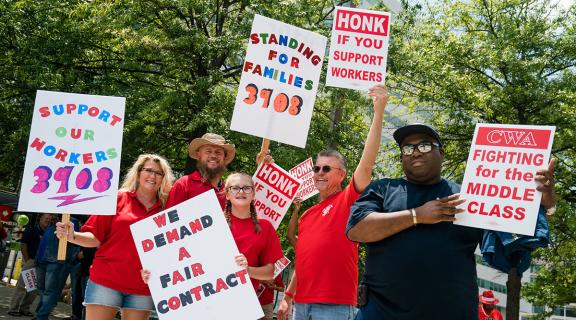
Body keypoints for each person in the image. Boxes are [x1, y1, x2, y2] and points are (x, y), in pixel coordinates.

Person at [346, 123, 556, 319]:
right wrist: (416, 215)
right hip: (381, 312)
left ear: (442, 153)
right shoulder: (383, 189)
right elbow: (357, 229)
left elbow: (509, 255)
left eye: (425, 145)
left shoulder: (470, 198)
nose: (416, 152)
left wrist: (542, 206)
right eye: (407, 148)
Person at [277, 85, 390, 320]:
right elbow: (303, 258)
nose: (319, 172)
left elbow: (367, 163)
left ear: (342, 174)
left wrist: (378, 111)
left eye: (326, 168)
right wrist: (288, 297)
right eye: (316, 168)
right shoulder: (307, 215)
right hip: (301, 305)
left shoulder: (348, 199)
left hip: (334, 306)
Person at [56, 154, 174, 320]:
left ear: (164, 178)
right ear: (138, 172)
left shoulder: (168, 210)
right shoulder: (118, 198)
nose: (153, 176)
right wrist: (72, 235)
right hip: (106, 281)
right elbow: (95, 237)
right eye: (148, 170)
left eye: (159, 173)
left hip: (143, 286)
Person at [224, 173, 284, 292]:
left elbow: (269, 272)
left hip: (246, 301)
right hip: (210, 298)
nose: (241, 192)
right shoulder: (213, 223)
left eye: (247, 188)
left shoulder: (265, 227)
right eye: (235, 188)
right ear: (227, 194)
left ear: (253, 195)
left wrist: (247, 270)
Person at [165, 133, 235, 209]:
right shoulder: (184, 184)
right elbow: (169, 219)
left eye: (218, 152)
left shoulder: (229, 191)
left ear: (224, 158)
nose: (213, 156)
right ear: (199, 155)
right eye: (208, 151)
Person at [34, 216, 81, 320]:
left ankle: (41, 317)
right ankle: (40, 314)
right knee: (41, 289)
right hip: (41, 260)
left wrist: (70, 260)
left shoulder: (72, 220)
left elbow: (74, 241)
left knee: (49, 291)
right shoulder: (51, 219)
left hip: (55, 261)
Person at [7, 213, 52, 317]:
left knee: (33, 288)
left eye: (50, 219)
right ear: (40, 218)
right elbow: (23, 244)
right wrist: (28, 260)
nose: (48, 220)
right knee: (22, 285)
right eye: (46, 218)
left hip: (42, 263)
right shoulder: (32, 230)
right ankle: (13, 308)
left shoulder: (50, 232)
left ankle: (24, 309)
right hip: (31, 260)